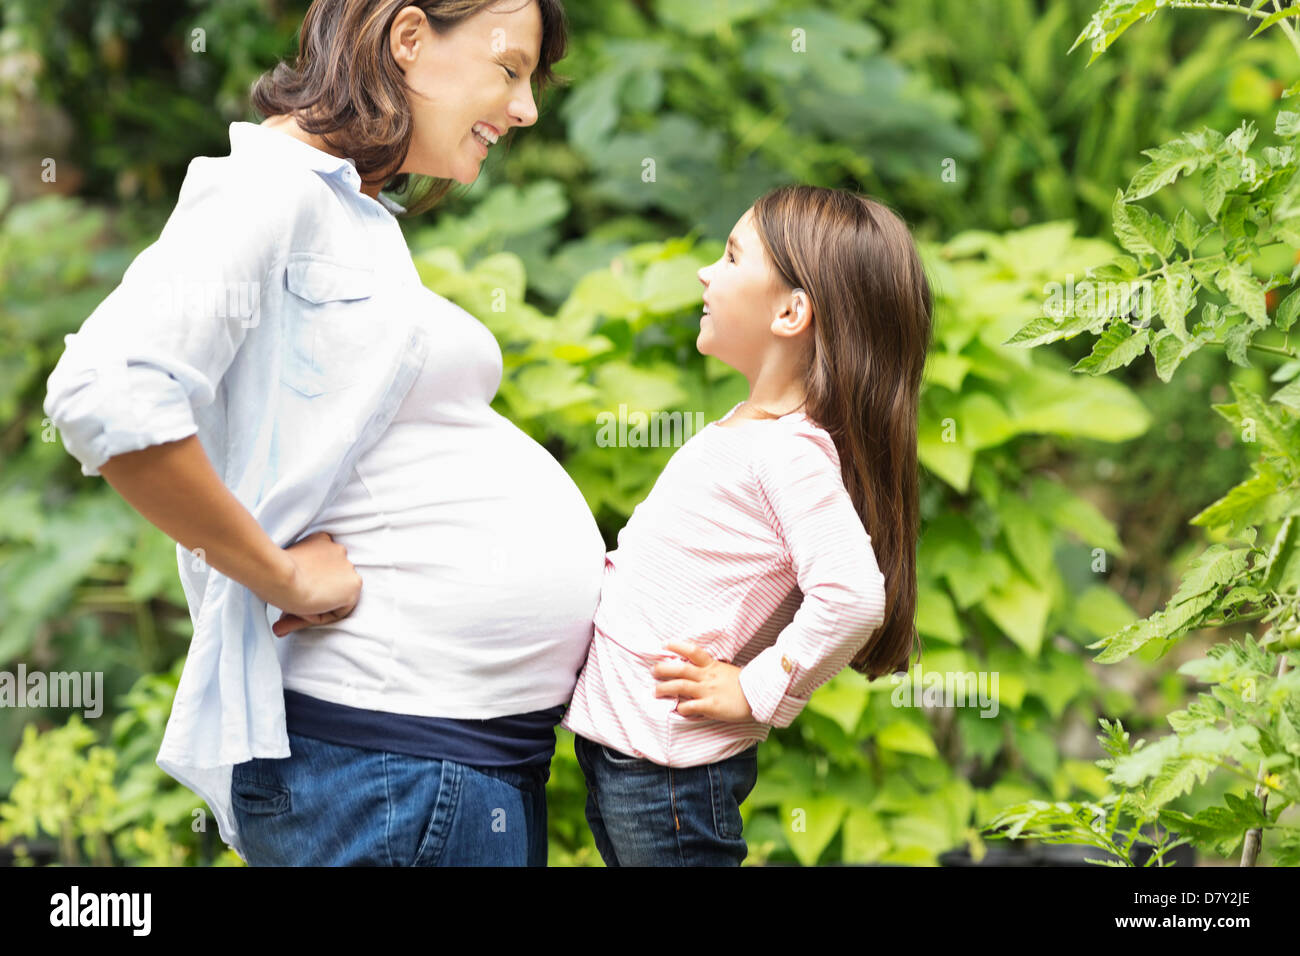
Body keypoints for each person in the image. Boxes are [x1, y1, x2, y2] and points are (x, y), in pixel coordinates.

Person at [41, 0, 593, 867]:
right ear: (408, 39)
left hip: (436, 772)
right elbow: (110, 390)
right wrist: (281, 573)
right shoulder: (272, 186)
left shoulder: (350, 211)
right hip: (389, 772)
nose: (524, 110)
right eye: (511, 69)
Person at [561, 185, 934, 866]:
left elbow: (852, 595)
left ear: (792, 311)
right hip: (634, 761)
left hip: (667, 778)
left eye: (731, 257)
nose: (706, 273)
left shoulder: (788, 453)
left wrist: (756, 688)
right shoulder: (753, 434)